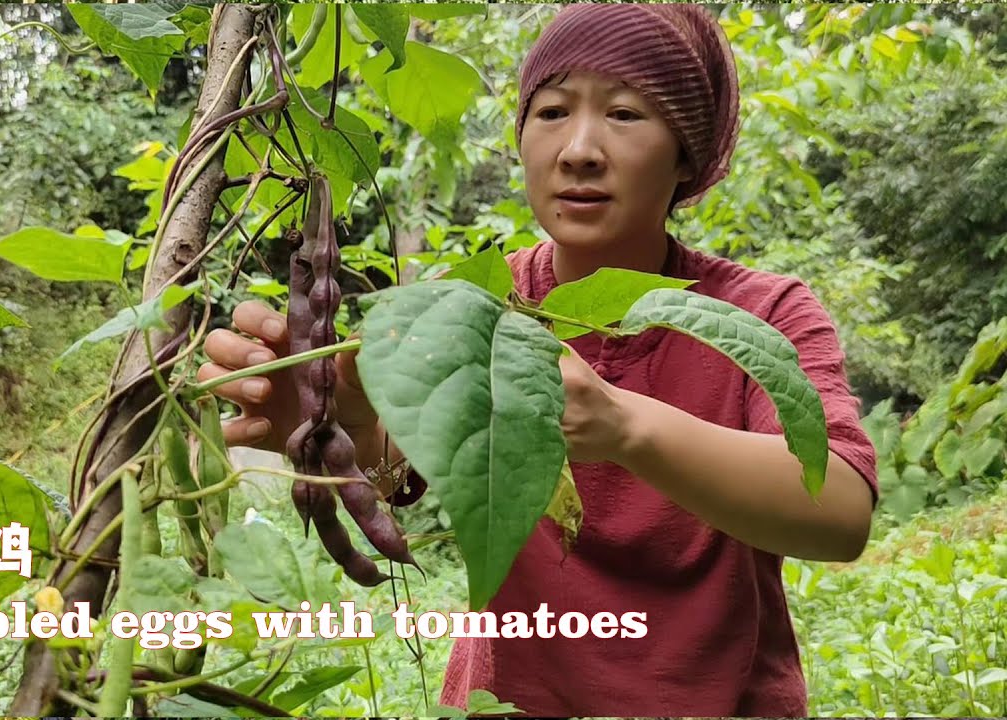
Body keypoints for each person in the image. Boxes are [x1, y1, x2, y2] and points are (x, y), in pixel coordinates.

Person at [197, 4, 878, 716]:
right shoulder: (474, 301)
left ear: (686, 153)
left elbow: (839, 512)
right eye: (551, 111)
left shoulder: (762, 316)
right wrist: (339, 425)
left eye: (625, 114)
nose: (579, 148)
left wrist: (622, 427)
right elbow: (399, 474)